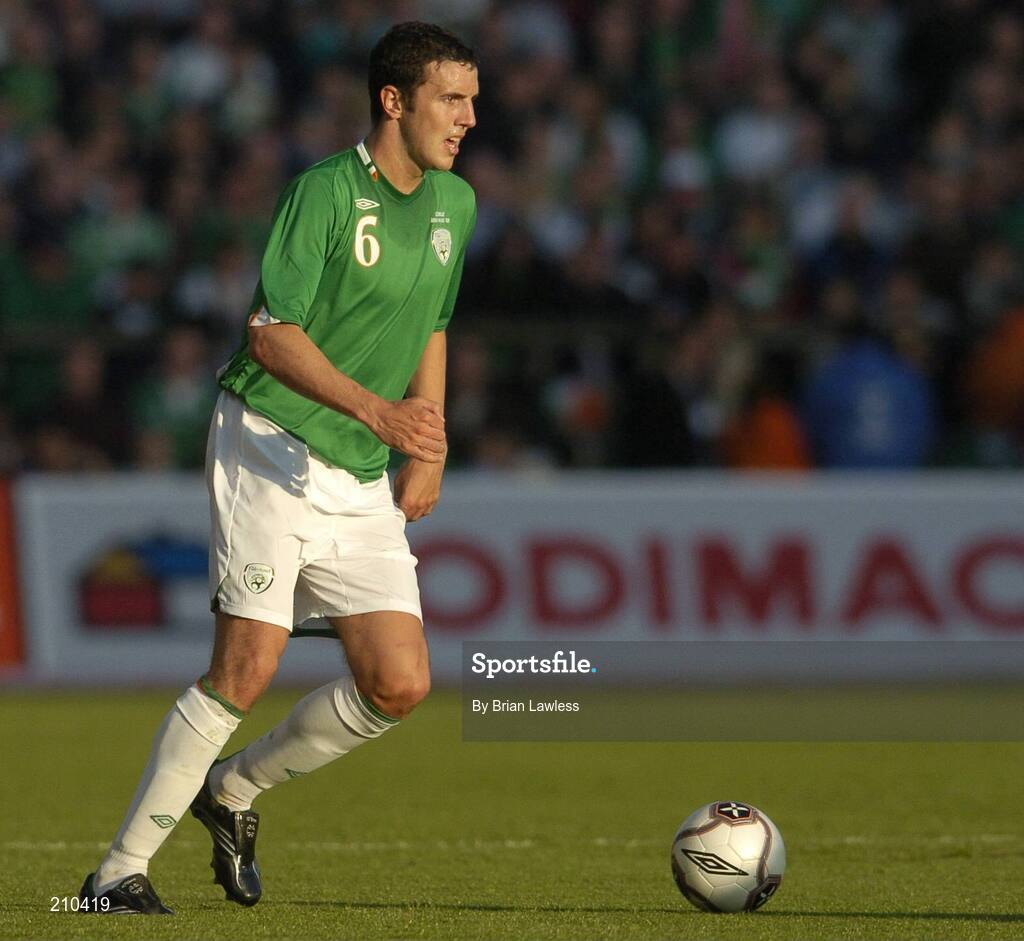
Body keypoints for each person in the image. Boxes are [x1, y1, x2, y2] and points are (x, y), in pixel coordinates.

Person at [79, 21, 478, 915]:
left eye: (472, 100)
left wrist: (428, 439)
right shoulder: (326, 193)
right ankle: (116, 872)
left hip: (359, 464)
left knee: (400, 681)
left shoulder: (457, 204)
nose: (469, 119)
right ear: (394, 101)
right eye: (452, 99)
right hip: (268, 440)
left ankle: (233, 790)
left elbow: (434, 326)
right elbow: (269, 331)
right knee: (246, 666)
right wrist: (382, 414)